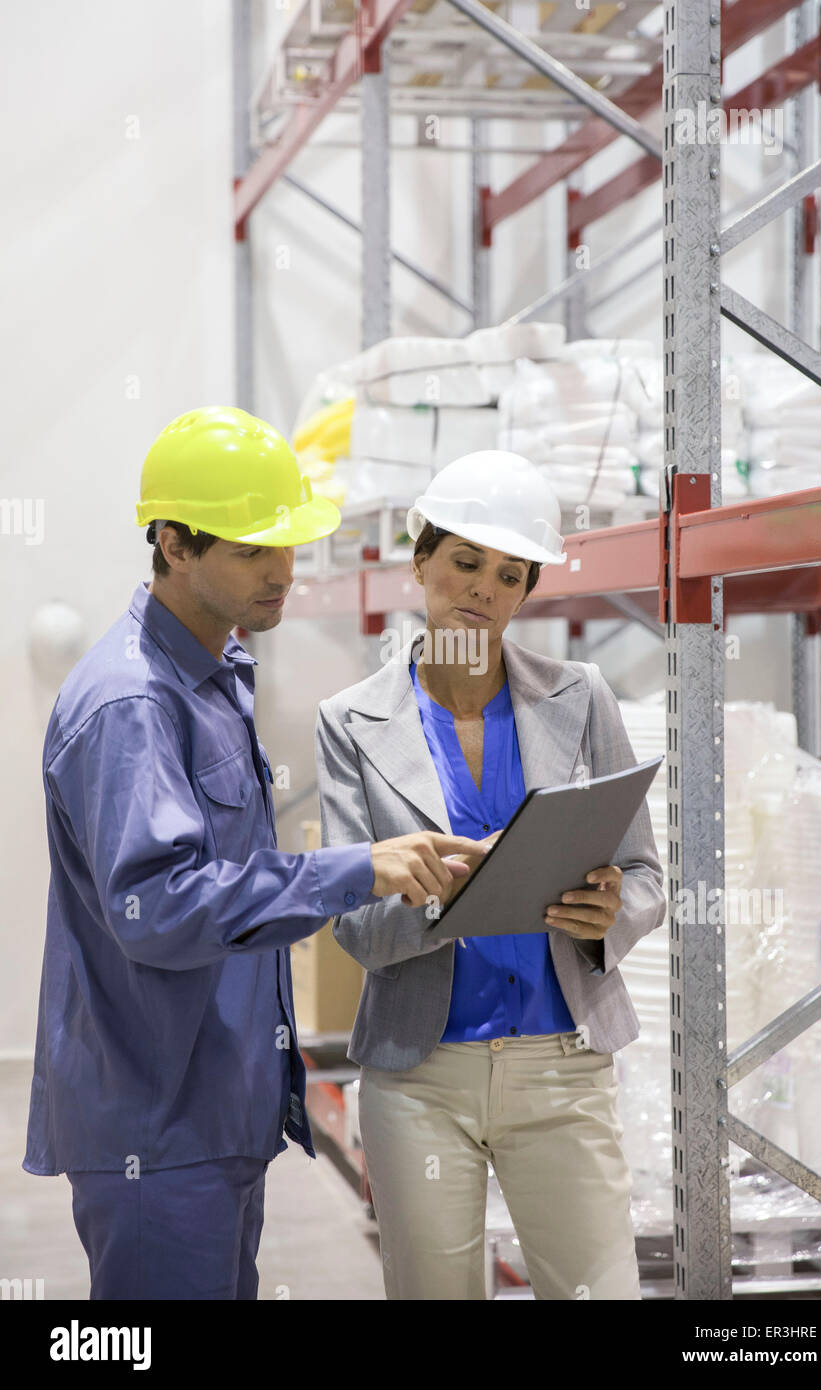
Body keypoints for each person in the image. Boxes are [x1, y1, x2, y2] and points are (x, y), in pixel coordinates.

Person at [22, 406, 485, 1300]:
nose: (283, 573)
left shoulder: (215, 670)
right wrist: (358, 869)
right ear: (173, 544)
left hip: (215, 1108)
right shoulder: (133, 703)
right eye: (251, 549)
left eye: (290, 546)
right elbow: (157, 910)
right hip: (153, 1133)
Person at [314, 449, 666, 1300]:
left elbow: (646, 876)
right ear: (421, 561)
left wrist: (609, 911)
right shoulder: (350, 722)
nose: (481, 588)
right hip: (419, 1077)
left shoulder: (581, 698)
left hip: (562, 1068)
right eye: (465, 561)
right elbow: (352, 923)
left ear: (525, 590)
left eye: (508, 574)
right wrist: (440, 899)